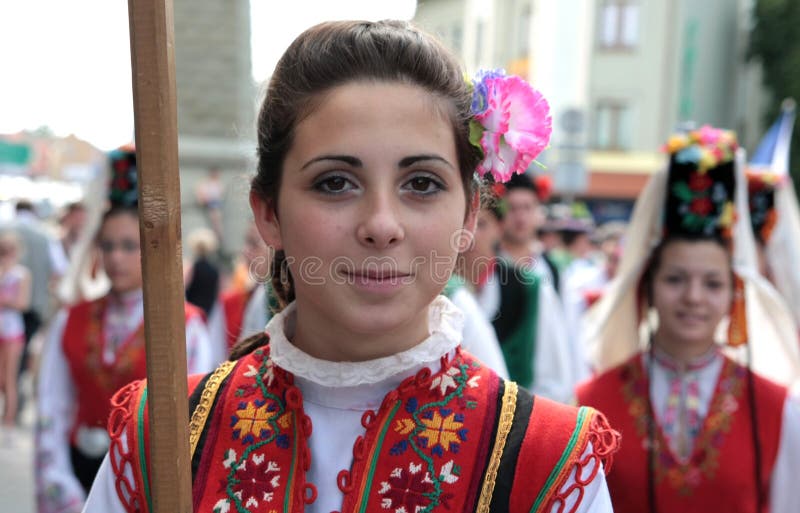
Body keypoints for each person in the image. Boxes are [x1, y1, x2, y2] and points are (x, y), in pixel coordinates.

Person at [84, 20, 618, 513]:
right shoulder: (163, 441)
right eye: (335, 183)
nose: (381, 224)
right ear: (269, 213)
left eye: (422, 184)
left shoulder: (547, 468)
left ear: (470, 214)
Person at [576, 126, 800, 513]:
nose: (693, 297)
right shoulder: (591, 404)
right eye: (675, 279)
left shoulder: (776, 409)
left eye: (713, 283)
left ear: (734, 295)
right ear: (647, 287)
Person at [35, 147, 215, 513]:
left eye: (129, 246)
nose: (116, 257)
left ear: (153, 249)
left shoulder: (186, 326)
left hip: (144, 485)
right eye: (108, 246)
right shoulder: (72, 319)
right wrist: (62, 489)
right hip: (73, 475)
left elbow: (194, 419)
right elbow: (51, 406)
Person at [460, 194, 586, 401]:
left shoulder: (530, 287)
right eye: (461, 224)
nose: (469, 235)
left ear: (498, 229)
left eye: (481, 224)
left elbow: (554, 379)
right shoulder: (434, 290)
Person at [0, 230, 31, 430]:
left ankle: (9, 420)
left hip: (12, 331)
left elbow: (22, 303)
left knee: (10, 377)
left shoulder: (21, 274)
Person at [184, 226, 221, 318]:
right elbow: (216, 293)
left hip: (193, 311)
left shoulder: (193, 267)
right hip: (208, 311)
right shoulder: (214, 269)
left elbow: (187, 289)